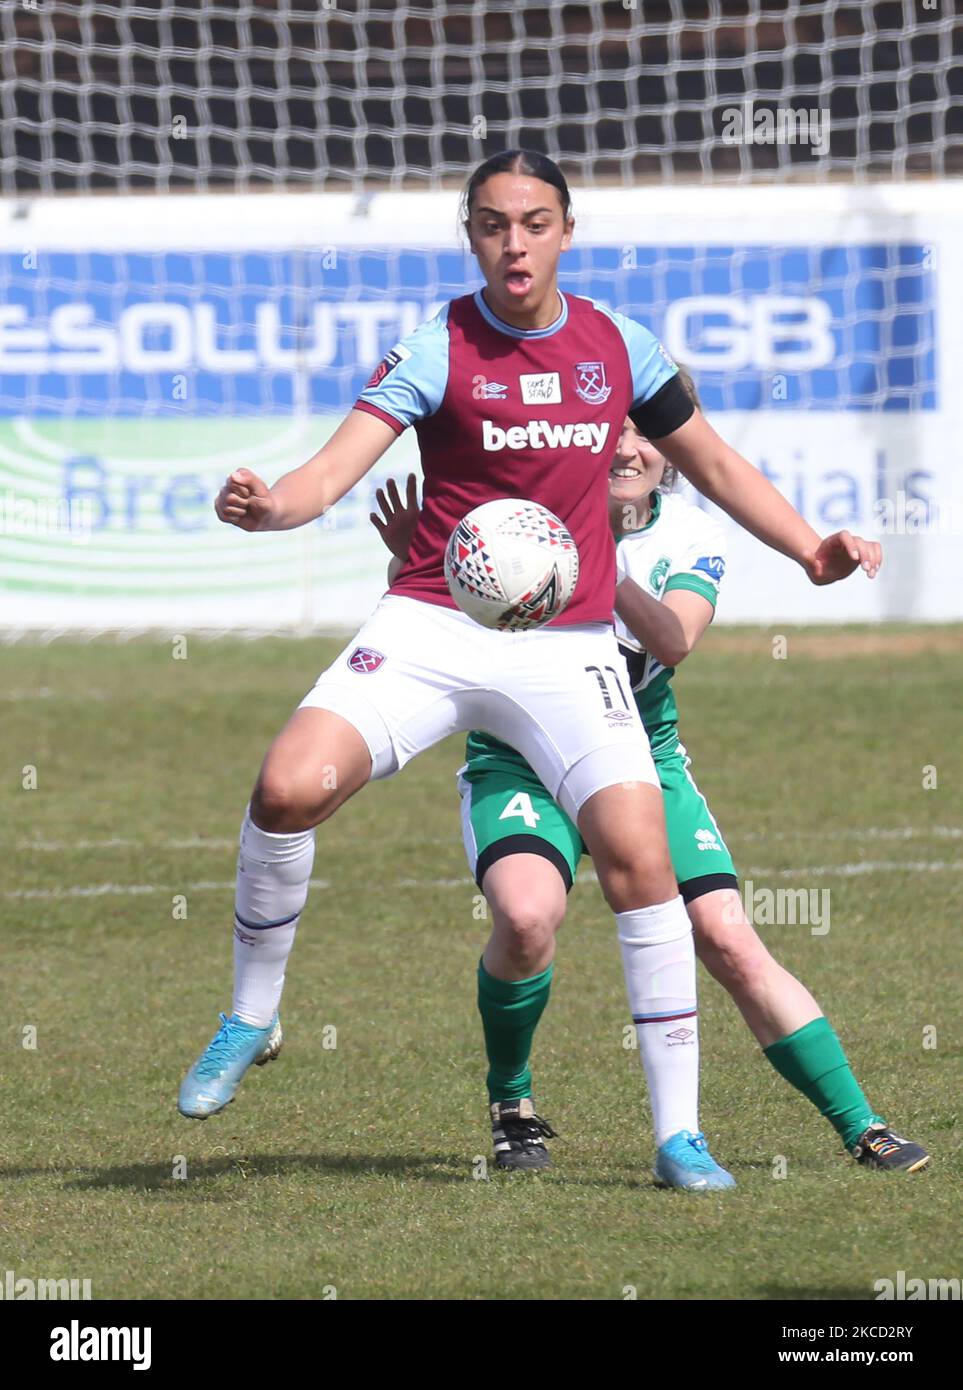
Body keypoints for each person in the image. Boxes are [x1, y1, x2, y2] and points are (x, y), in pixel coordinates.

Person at [178, 149, 881, 1184]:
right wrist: (267, 504)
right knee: (284, 788)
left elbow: (719, 464)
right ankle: (250, 1015)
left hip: (568, 644)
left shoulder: (617, 345)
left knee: (641, 860)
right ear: (471, 234)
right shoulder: (437, 343)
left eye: (537, 221)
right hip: (431, 621)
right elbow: (329, 472)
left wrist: (810, 546)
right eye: (496, 223)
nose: (516, 242)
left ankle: (678, 1136)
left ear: (565, 229)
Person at [371, 381, 930, 1185]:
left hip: (641, 757)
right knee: (527, 918)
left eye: (644, 433)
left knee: (728, 935)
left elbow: (671, 640)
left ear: (668, 447)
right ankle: (511, 1105)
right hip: (517, 759)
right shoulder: (511, 521)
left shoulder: (692, 535)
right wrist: (413, 561)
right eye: (610, 431)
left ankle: (860, 1125)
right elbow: (440, 628)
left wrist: (590, 557)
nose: (628, 448)